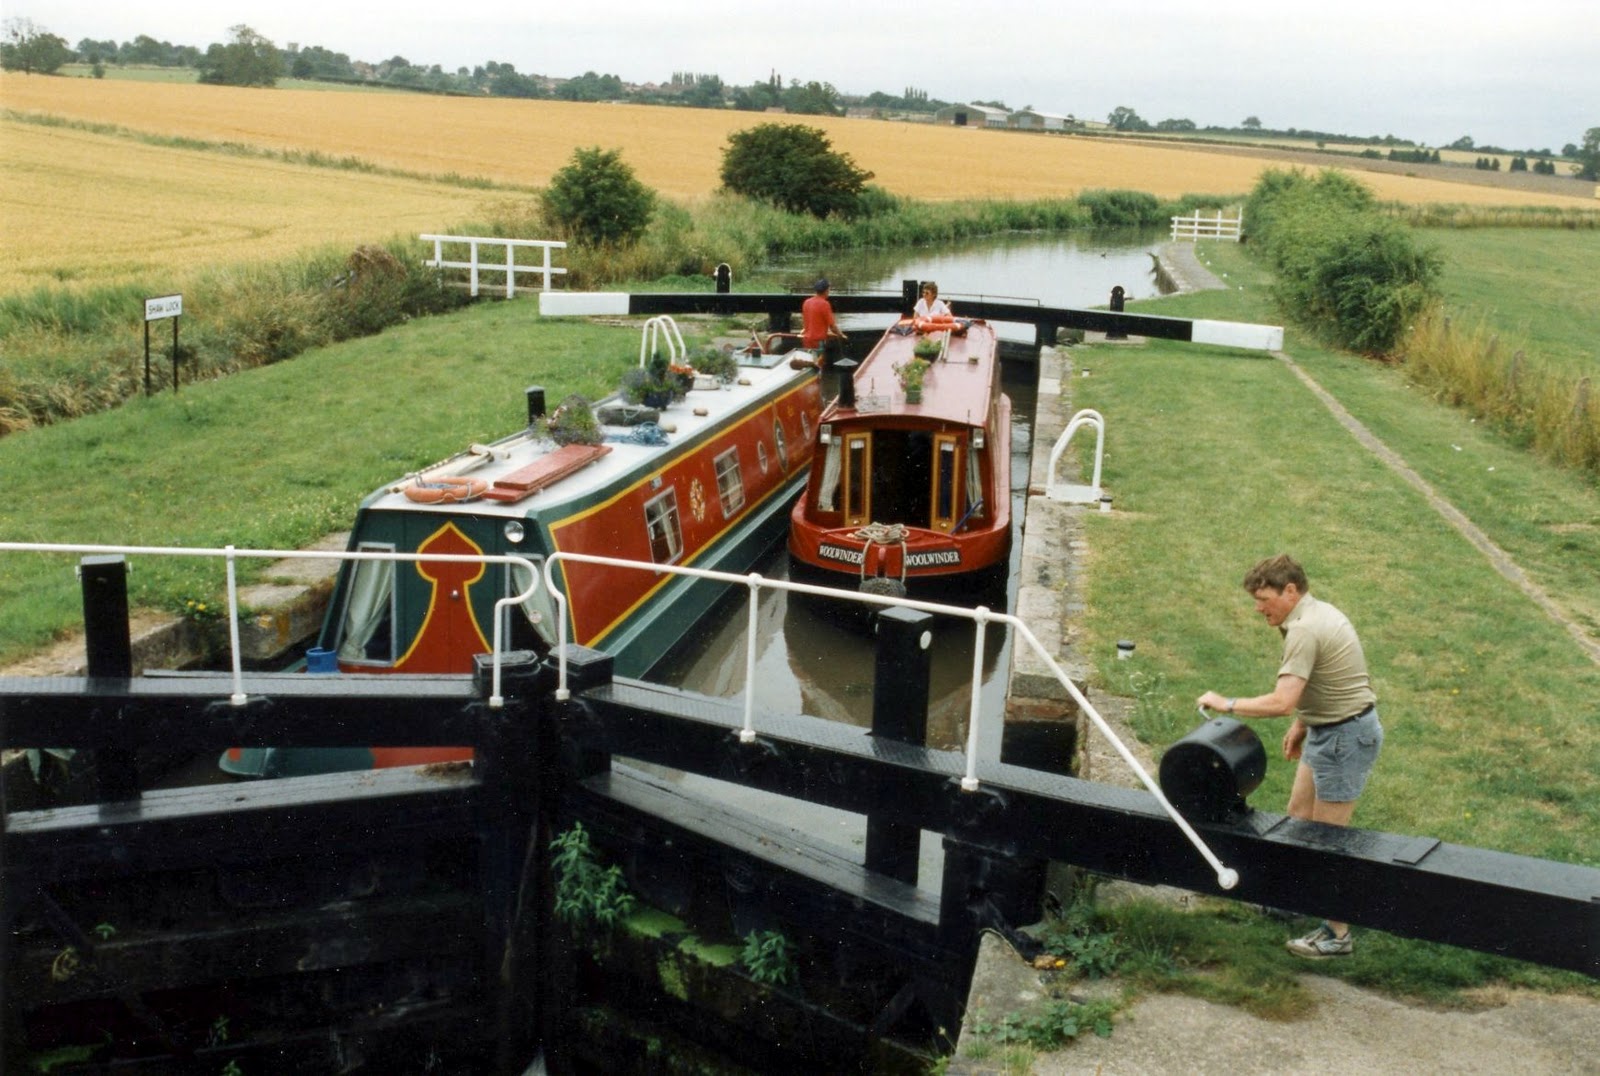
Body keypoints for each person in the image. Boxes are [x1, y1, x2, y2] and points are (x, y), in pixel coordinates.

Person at [1197, 554, 1383, 960]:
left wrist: (1225, 703)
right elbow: (1332, 679)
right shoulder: (1317, 613)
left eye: (1264, 599)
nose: (1258, 608)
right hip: (1327, 731)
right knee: (1298, 817)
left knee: (1326, 841)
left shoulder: (1305, 629)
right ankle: (1291, 900)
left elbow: (1282, 701)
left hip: (1344, 739)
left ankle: (1337, 934)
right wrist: (1305, 724)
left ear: (1291, 591)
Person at [801, 277, 845, 368]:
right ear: (827, 290)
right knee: (818, 367)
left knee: (809, 364)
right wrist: (841, 335)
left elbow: (809, 322)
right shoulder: (824, 304)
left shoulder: (807, 302)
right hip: (818, 341)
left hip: (806, 340)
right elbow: (832, 327)